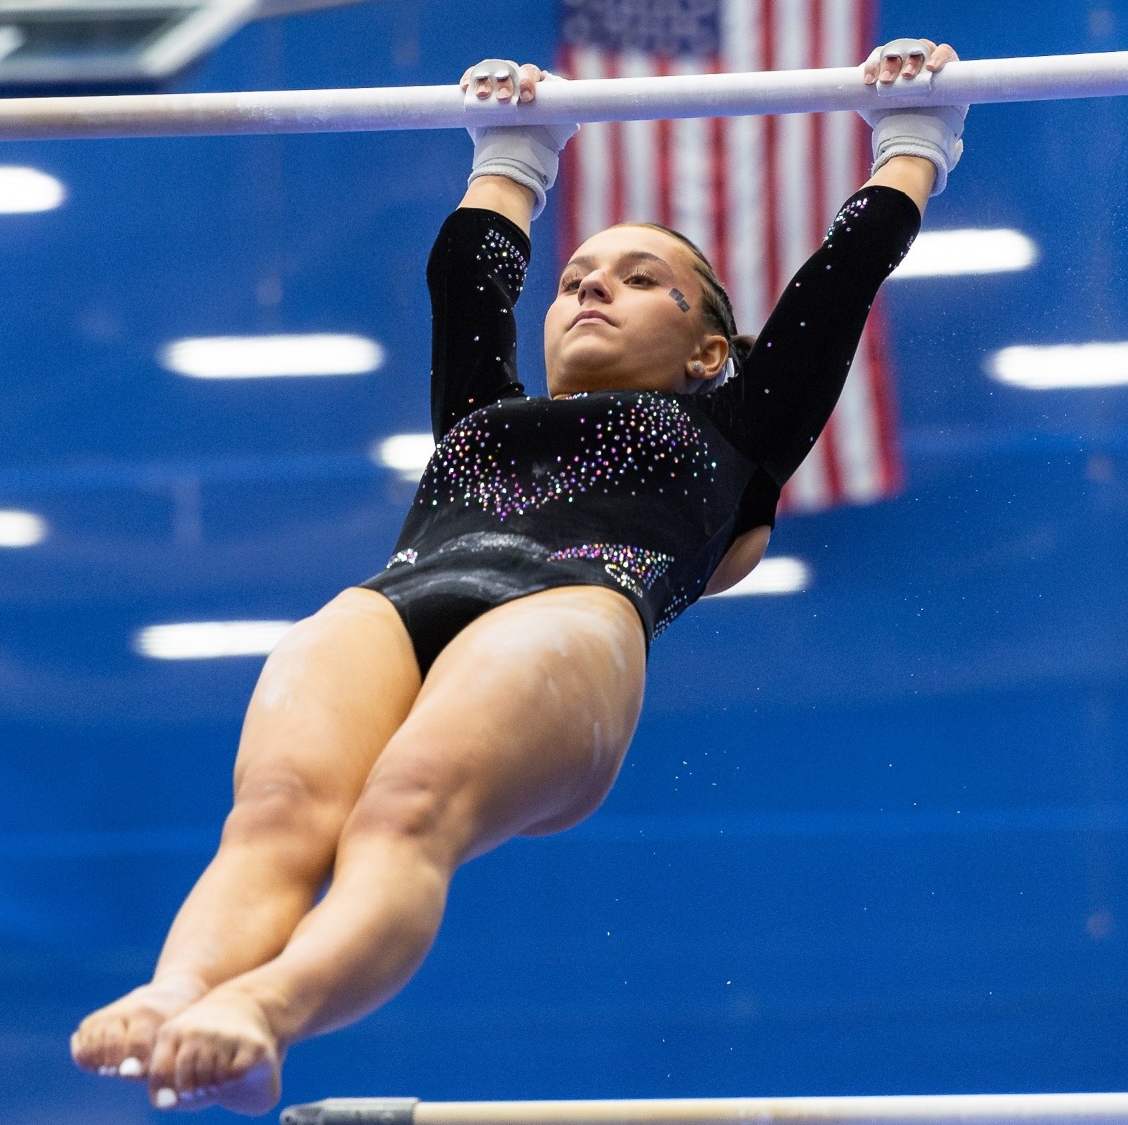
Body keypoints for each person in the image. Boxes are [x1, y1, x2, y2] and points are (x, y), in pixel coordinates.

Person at [69, 38, 966, 1114]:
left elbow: (841, 274)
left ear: (708, 351)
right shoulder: (482, 413)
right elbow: (468, 280)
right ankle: (183, 993)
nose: (594, 290)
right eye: (579, 278)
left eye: (644, 283)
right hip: (401, 599)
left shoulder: (738, 422)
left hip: (573, 615)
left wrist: (917, 133)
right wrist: (512, 145)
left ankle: (268, 1007)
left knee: (400, 811)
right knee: (275, 812)